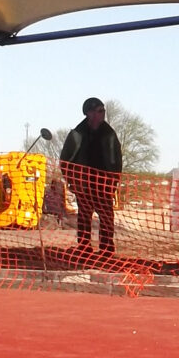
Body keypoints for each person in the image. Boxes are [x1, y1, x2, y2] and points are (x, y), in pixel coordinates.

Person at [58, 98, 122, 253]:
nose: (102, 114)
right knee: (84, 216)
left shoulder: (109, 135)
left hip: (103, 184)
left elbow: (116, 161)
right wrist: (72, 180)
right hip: (83, 184)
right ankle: (84, 247)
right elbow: (65, 160)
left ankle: (107, 248)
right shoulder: (77, 134)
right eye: (99, 111)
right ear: (89, 113)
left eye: (103, 111)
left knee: (106, 216)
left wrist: (113, 182)